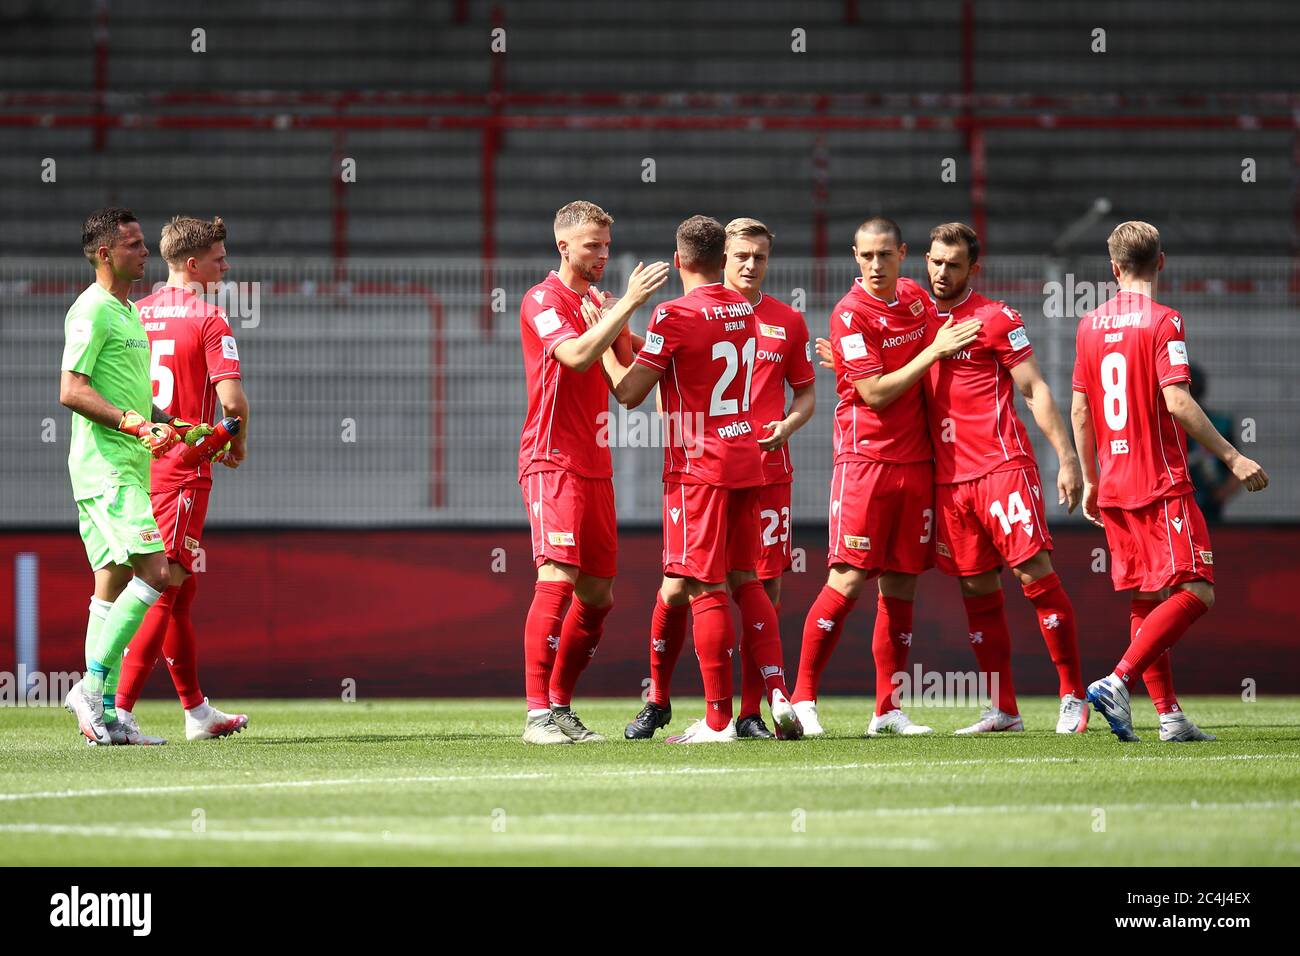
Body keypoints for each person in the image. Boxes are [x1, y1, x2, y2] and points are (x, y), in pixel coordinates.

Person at [1072, 221, 1268, 742]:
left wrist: (1090, 478)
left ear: (1113, 269)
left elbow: (1081, 408)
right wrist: (1231, 458)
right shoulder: (1165, 321)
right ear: (1161, 262)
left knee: (1147, 596)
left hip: (1113, 482)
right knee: (1197, 590)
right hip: (1159, 481)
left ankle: (1169, 716)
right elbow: (1177, 400)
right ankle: (1117, 680)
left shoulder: (1088, 325)